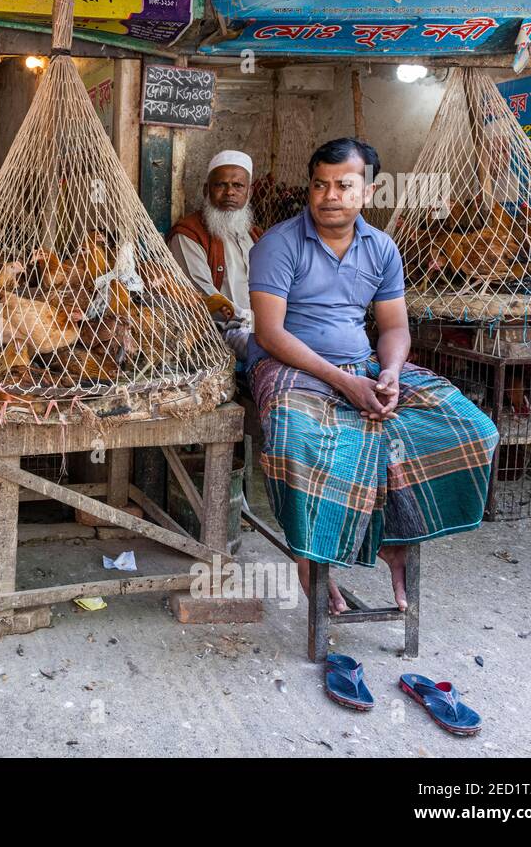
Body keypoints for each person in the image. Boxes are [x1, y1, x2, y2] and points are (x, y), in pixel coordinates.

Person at [247, 137, 498, 614]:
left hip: (363, 363)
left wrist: (390, 373)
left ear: (369, 190)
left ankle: (394, 542)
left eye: (344, 185)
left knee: (469, 427)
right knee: (297, 436)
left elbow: (395, 326)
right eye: (320, 185)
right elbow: (270, 332)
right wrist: (345, 384)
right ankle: (311, 556)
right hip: (287, 366)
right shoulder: (278, 244)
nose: (330, 196)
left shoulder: (381, 248)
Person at [167, 150, 262, 364]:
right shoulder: (189, 234)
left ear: (249, 192)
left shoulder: (255, 234)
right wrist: (252, 318)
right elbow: (203, 294)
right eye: (221, 185)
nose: (230, 192)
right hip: (221, 330)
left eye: (238, 186)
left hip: (263, 325)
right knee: (270, 349)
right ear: (206, 190)